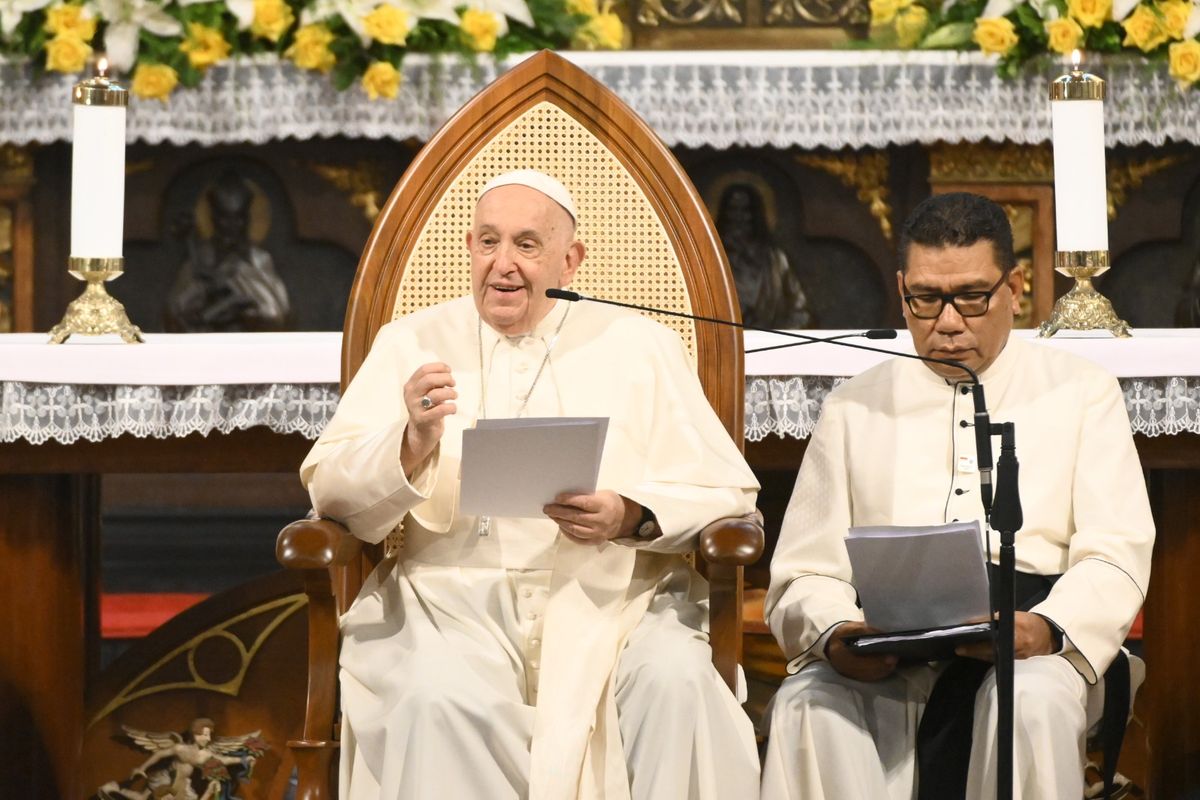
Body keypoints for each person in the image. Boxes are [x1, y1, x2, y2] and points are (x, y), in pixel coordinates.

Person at [301, 170, 761, 800]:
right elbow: (330, 490)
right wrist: (409, 444)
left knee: (676, 684)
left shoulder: (642, 345)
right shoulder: (409, 343)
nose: (503, 264)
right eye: (488, 242)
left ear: (569, 260)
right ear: (469, 248)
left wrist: (631, 515)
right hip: (448, 601)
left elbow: (727, 493)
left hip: (616, 601)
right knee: (434, 699)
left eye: (526, 244)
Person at [760, 192, 1155, 800]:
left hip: (1032, 645)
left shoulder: (1081, 392)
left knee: (1032, 703)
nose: (947, 322)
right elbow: (804, 569)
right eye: (925, 299)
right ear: (902, 290)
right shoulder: (853, 407)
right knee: (806, 704)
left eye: (972, 296)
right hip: (891, 649)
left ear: (1015, 287)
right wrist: (838, 632)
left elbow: (1116, 551)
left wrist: (1047, 628)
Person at [166, 169, 289, 332]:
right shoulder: (200, 258)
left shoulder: (259, 259)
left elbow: (277, 312)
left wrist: (245, 305)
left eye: (239, 218)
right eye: (225, 218)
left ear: (247, 219)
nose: (232, 226)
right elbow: (175, 311)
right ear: (214, 219)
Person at [716, 183, 812, 329]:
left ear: (755, 215)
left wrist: (775, 334)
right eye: (733, 210)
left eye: (745, 210)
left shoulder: (776, 261)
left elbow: (801, 313)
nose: (739, 218)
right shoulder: (709, 263)